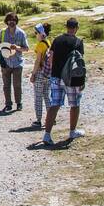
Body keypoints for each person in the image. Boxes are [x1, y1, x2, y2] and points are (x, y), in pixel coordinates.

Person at [44, 18, 87, 146]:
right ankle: (72, 131)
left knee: (54, 105)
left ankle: (47, 135)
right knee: (74, 105)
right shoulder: (78, 42)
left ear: (66, 27)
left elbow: (50, 58)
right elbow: (79, 62)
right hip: (72, 79)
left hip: (56, 76)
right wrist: (82, 80)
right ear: (77, 28)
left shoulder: (57, 40)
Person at [0, 12, 28, 112]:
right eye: (9, 20)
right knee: (6, 85)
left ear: (16, 21)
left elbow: (26, 48)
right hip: (5, 63)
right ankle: (8, 104)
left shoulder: (21, 33)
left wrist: (17, 48)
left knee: (17, 85)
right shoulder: (2, 32)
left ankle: (19, 103)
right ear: (6, 21)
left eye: (13, 20)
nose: (11, 22)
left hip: (18, 63)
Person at [28, 23, 53, 128]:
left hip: (39, 73)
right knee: (47, 96)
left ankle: (38, 120)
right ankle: (51, 118)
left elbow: (38, 61)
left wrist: (33, 74)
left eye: (36, 33)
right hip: (48, 74)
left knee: (38, 97)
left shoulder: (40, 45)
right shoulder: (48, 42)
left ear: (41, 33)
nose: (35, 35)